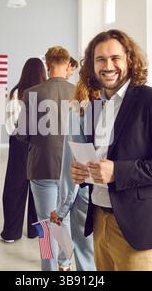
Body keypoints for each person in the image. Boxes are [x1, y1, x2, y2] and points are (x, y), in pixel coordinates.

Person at [69, 29, 152, 271]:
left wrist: (118, 172)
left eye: (115, 58)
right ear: (91, 66)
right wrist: (84, 173)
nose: (108, 65)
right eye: (100, 59)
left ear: (130, 60)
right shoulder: (95, 106)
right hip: (99, 219)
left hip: (139, 225)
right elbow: (102, 160)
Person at [16, 46, 75, 271]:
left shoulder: (32, 93)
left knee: (45, 223)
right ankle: (65, 263)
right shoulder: (81, 92)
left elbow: (22, 134)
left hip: (42, 165)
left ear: (48, 66)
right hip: (72, 170)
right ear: (68, 64)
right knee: (64, 218)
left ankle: (48, 270)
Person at [49, 78, 99, 271]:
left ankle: (56, 265)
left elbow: (74, 167)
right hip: (94, 189)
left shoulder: (78, 112)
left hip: (53, 176)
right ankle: (61, 263)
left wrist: (61, 208)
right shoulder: (113, 111)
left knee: (53, 223)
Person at [0, 58, 46, 243]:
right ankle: (35, 231)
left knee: (14, 187)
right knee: (39, 187)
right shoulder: (45, 93)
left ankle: (11, 232)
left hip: (19, 143)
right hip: (41, 144)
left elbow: (10, 125)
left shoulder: (16, 93)